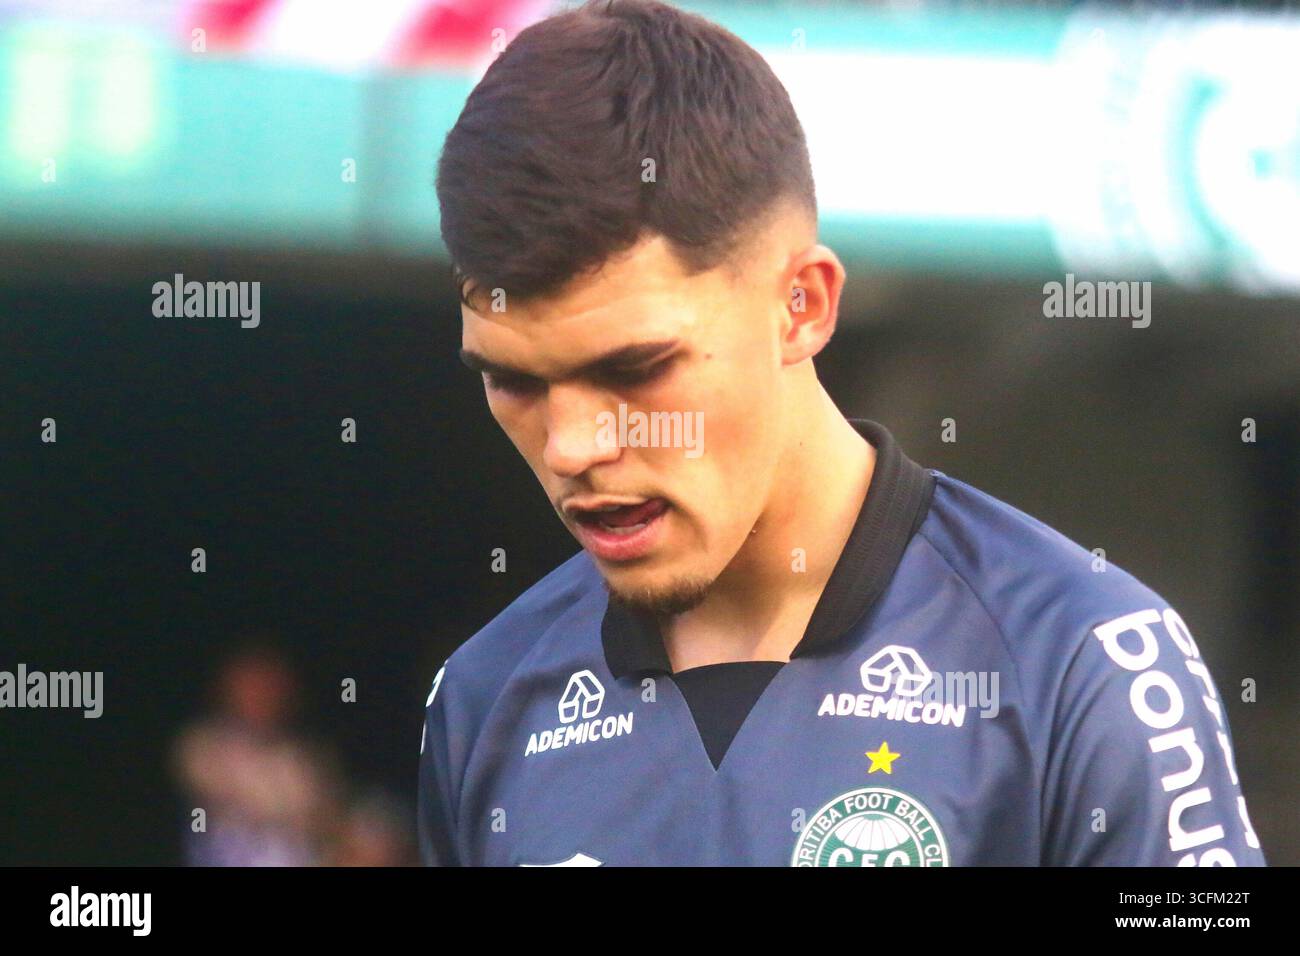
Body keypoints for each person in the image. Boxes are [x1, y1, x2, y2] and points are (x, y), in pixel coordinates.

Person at [418, 0, 1265, 866]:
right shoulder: (484, 702)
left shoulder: (1086, 661)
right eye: (514, 380)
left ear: (804, 306)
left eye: (633, 369)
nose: (572, 446)